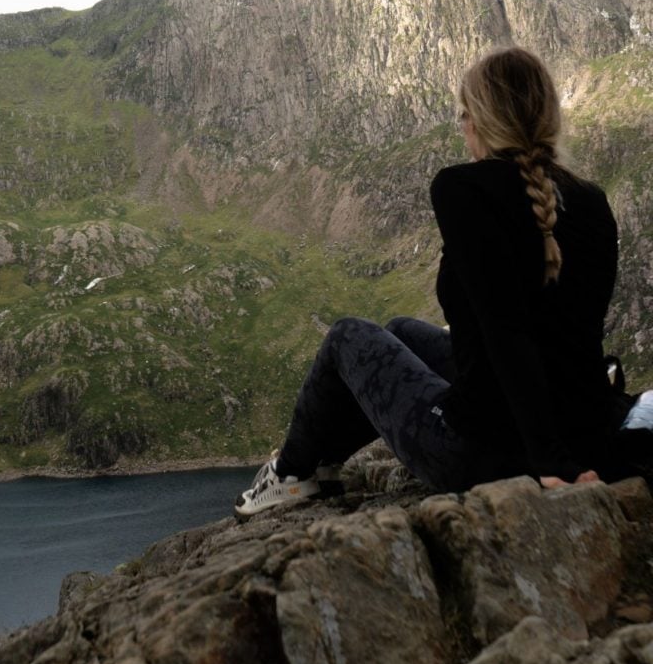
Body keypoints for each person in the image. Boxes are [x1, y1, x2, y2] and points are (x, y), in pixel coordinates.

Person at [235, 45, 635, 518]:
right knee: (401, 330)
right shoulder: (591, 199)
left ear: (479, 120)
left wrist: (549, 460)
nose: (462, 127)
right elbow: (564, 332)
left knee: (347, 336)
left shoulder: (464, 188)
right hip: (586, 430)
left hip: (486, 452)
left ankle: (289, 473)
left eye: (463, 115)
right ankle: (321, 463)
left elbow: (506, 330)